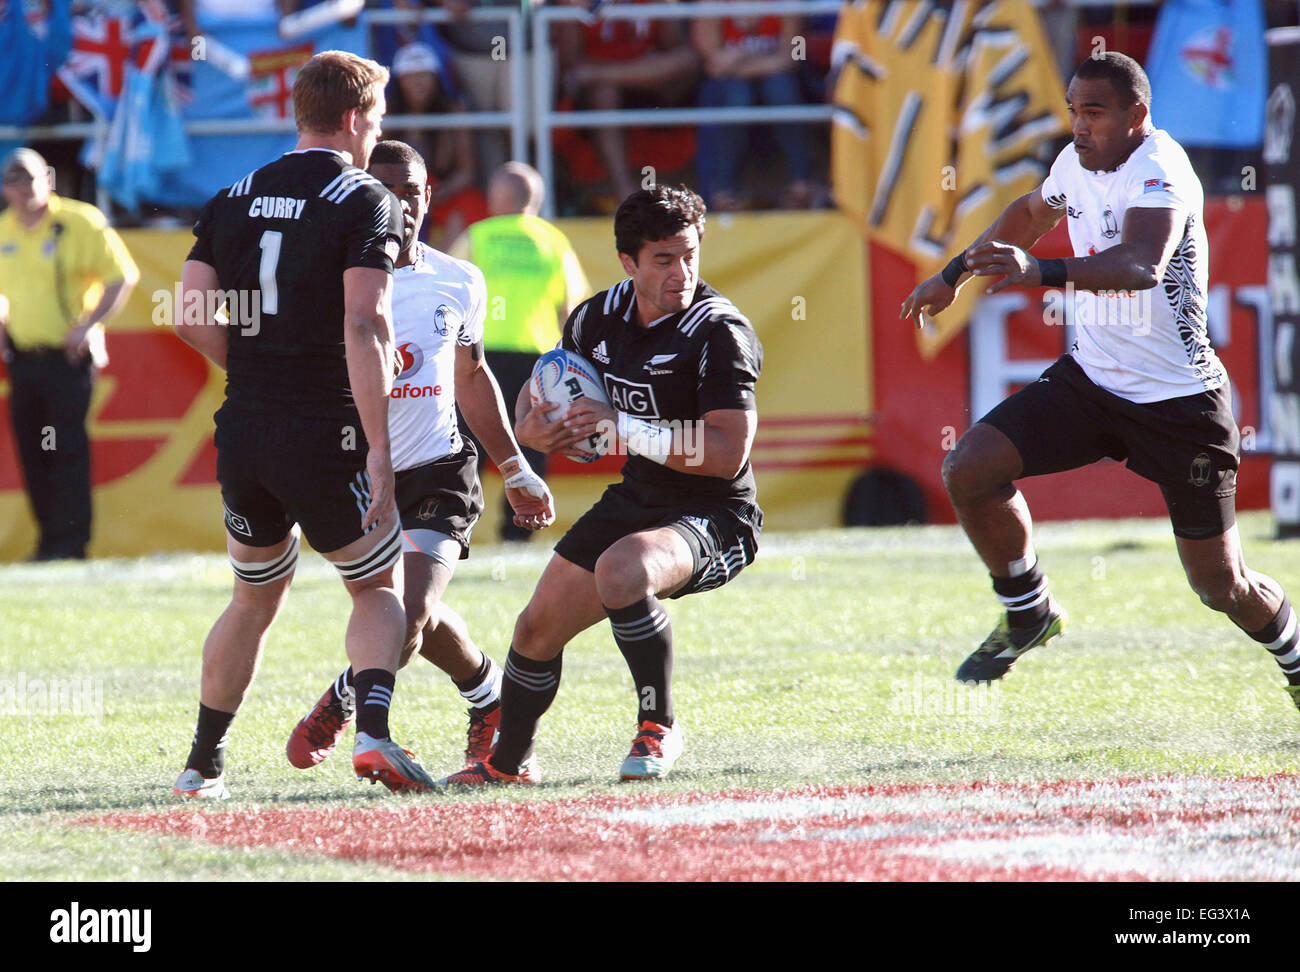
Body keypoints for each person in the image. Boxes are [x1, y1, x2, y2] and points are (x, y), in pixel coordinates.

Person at [900, 52, 1300, 712]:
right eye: (1073, 113)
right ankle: (1028, 610)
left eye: (1095, 114)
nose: (1080, 128)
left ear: (1137, 116)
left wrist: (1041, 274)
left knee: (1219, 585)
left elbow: (1142, 264)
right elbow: (1029, 215)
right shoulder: (1075, 162)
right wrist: (952, 275)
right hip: (1092, 382)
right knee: (969, 468)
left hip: (1181, 405)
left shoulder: (1162, 172)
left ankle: (1294, 657)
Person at [171, 51, 432, 799]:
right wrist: (380, 446)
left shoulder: (234, 194)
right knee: (377, 587)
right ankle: (374, 735)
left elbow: (191, 315)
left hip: (246, 426)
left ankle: (202, 764)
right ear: (353, 119)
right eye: (377, 118)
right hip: (327, 430)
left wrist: (257, 370)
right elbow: (365, 320)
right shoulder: (364, 199)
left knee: (252, 596)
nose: (377, 133)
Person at [442, 184, 765, 785]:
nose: (682, 272)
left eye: (690, 255)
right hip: (641, 495)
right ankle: (508, 764)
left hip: (717, 512)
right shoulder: (597, 316)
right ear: (628, 263)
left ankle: (658, 726)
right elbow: (544, 389)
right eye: (664, 260)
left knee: (623, 569)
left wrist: (623, 429)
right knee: (535, 627)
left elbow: (726, 454)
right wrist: (532, 428)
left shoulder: (719, 331)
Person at [284, 139, 555, 772]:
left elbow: (472, 375)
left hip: (439, 467)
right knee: (411, 615)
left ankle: (342, 699)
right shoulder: (330, 279)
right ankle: (490, 700)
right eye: (383, 191)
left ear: (428, 195)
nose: (399, 204)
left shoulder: (458, 277)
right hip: (360, 472)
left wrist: (516, 468)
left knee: (408, 610)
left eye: (410, 191)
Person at [0, 147, 138, 562]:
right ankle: (49, 542)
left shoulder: (79, 222)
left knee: (64, 450)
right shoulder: (4, 230)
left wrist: (89, 325)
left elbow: (122, 277)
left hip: (67, 360)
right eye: (14, 180)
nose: (23, 189)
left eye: (30, 178)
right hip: (22, 360)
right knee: (33, 450)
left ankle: (72, 543)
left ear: (49, 179)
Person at [449, 160, 590, 541]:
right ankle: (519, 533)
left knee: (468, 445)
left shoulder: (478, 235)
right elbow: (572, 309)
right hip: (537, 363)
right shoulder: (553, 241)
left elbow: (449, 294)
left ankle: (452, 530)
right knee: (531, 445)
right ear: (535, 200)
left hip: (479, 359)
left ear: (496, 197)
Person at [690, 1, 812, 211]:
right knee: (738, 96)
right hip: (728, 85)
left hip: (772, 78)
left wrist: (739, 58)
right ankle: (723, 190)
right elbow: (713, 66)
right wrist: (763, 60)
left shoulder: (788, 4)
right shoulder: (709, 4)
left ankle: (800, 182)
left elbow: (792, 58)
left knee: (781, 90)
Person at [386, 42, 487, 250]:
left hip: (440, 193)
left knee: (471, 201)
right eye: (410, 76)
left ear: (437, 78)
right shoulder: (386, 116)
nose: (418, 83)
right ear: (399, 81)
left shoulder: (454, 112)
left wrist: (443, 190)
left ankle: (444, 266)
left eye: (424, 75)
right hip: (397, 192)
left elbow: (467, 172)